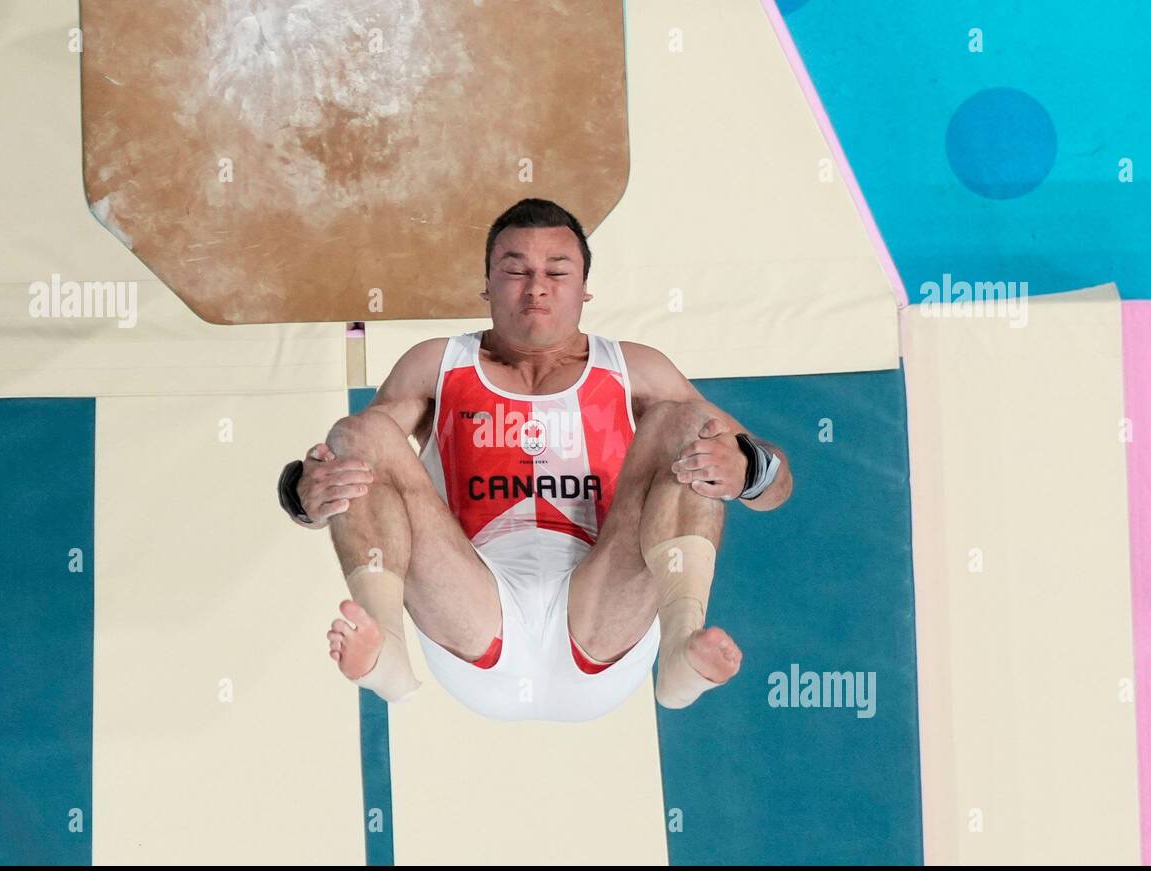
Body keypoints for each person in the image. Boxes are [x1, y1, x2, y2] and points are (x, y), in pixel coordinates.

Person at [280, 198, 791, 721]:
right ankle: (384, 648)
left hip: (603, 616)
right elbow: (357, 463)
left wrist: (748, 470)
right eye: (515, 270)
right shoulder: (437, 366)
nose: (536, 286)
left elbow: (778, 486)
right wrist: (304, 493)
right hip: (471, 612)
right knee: (359, 432)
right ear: (486, 284)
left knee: (689, 423)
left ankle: (683, 642)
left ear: (585, 288)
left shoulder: (636, 370)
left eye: (556, 271)